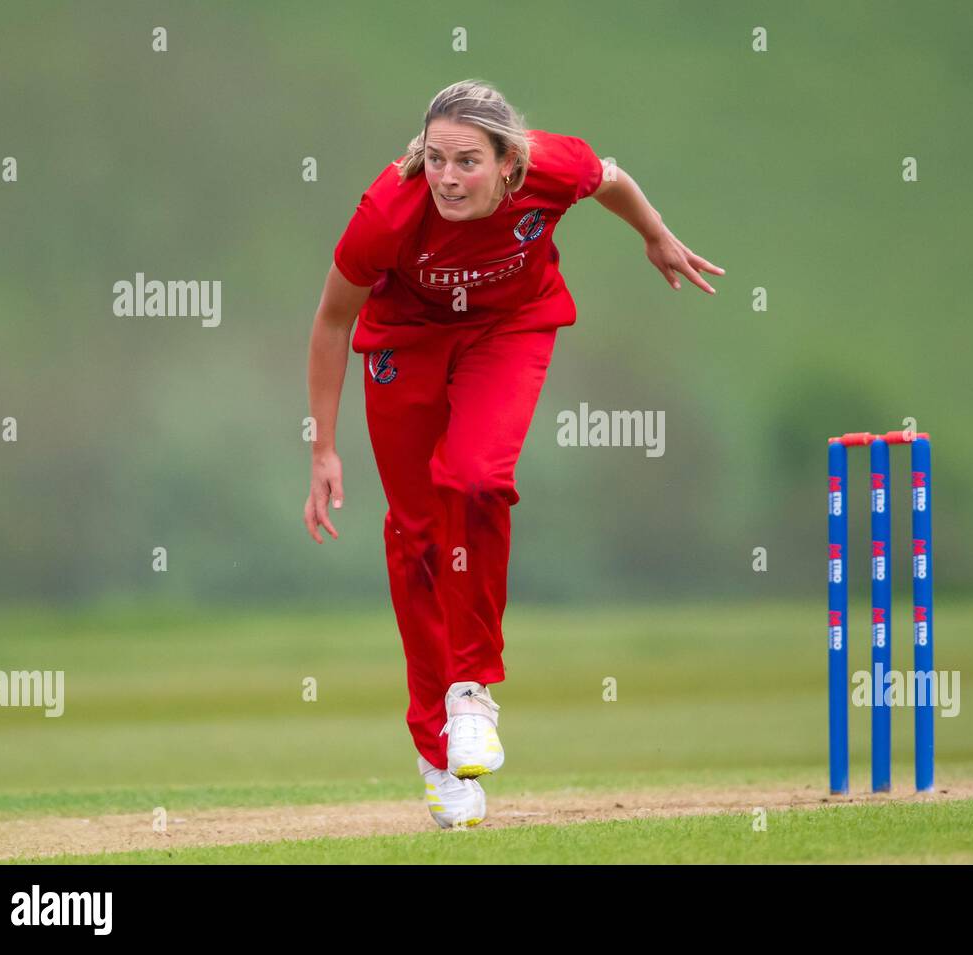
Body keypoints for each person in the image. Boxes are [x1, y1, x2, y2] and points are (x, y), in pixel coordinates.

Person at [303, 79, 723, 829]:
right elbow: (333, 319)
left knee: (474, 477)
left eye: (468, 161)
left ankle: (472, 693)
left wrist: (654, 232)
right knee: (418, 535)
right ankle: (437, 756)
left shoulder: (552, 167)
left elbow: (612, 178)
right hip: (406, 342)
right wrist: (324, 446)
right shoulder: (388, 212)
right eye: (435, 159)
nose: (448, 178)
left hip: (509, 327)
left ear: (509, 164)